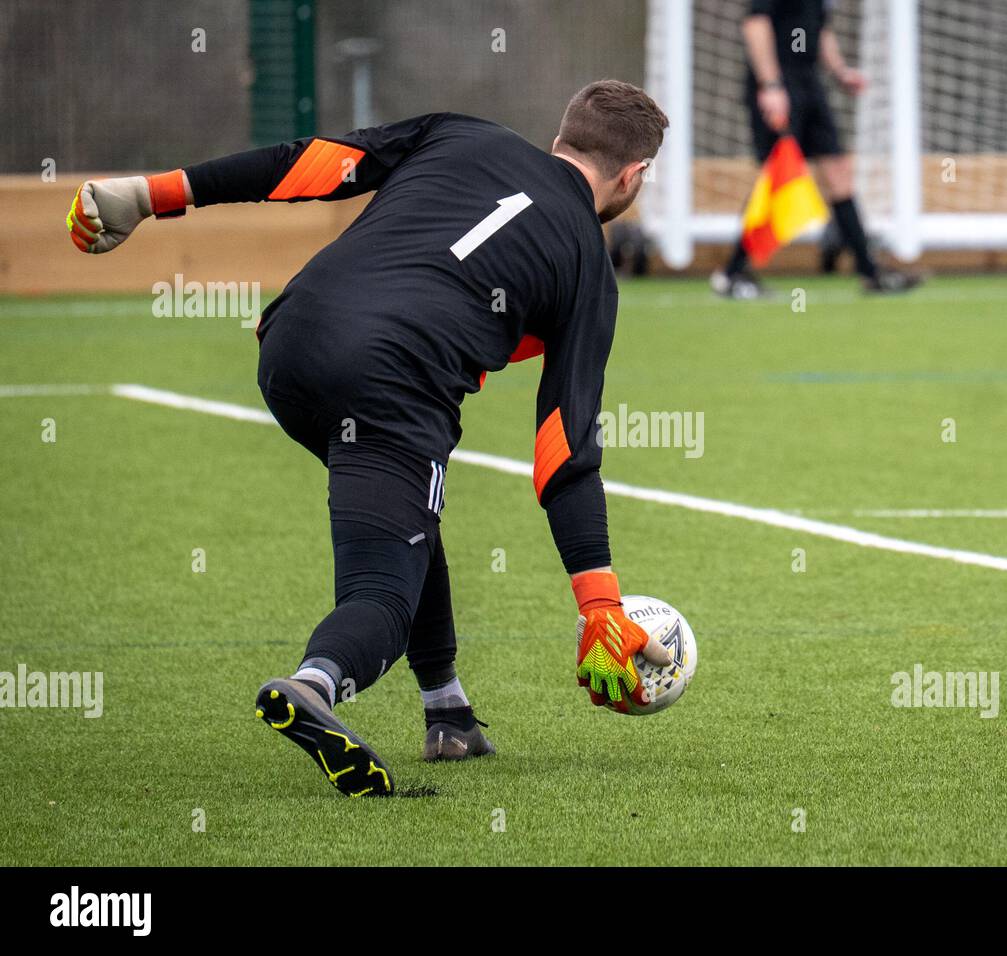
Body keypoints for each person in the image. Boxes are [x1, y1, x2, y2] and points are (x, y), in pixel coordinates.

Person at [66, 80, 674, 797]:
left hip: (290, 339)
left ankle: (447, 712)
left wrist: (152, 194)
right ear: (632, 177)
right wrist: (599, 603)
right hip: (387, 383)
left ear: (559, 140)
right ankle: (314, 684)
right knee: (383, 592)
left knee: (414, 512)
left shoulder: (463, 132)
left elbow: (312, 164)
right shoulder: (587, 265)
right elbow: (564, 448)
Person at [711, 0, 919, 298]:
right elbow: (755, 26)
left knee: (839, 174)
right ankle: (731, 275)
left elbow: (819, 30)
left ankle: (871, 272)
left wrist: (840, 71)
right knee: (774, 178)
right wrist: (771, 85)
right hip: (779, 84)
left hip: (810, 83)